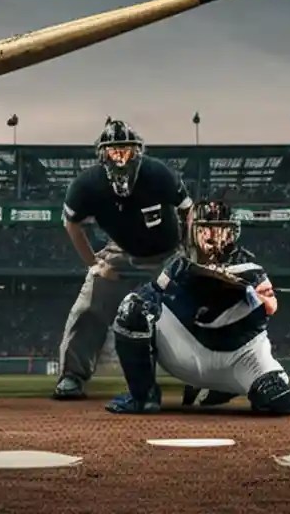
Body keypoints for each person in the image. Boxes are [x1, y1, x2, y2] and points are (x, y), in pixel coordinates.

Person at [105, 200, 290, 416]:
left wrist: (237, 283)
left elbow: (270, 306)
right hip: (187, 349)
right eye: (206, 228)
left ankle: (217, 389)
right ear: (191, 232)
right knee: (132, 309)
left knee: (280, 401)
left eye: (221, 229)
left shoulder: (248, 267)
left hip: (242, 356)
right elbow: (147, 298)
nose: (214, 236)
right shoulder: (177, 265)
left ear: (232, 233)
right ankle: (142, 398)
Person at [52, 119, 193, 400]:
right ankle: (72, 374)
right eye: (114, 151)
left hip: (167, 253)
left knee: (194, 303)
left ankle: (205, 375)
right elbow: (71, 223)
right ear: (103, 154)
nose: (120, 157)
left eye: (126, 150)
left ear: (137, 152)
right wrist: (94, 265)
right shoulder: (87, 185)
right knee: (90, 301)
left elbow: (188, 211)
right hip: (121, 251)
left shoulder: (157, 174)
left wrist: (189, 254)